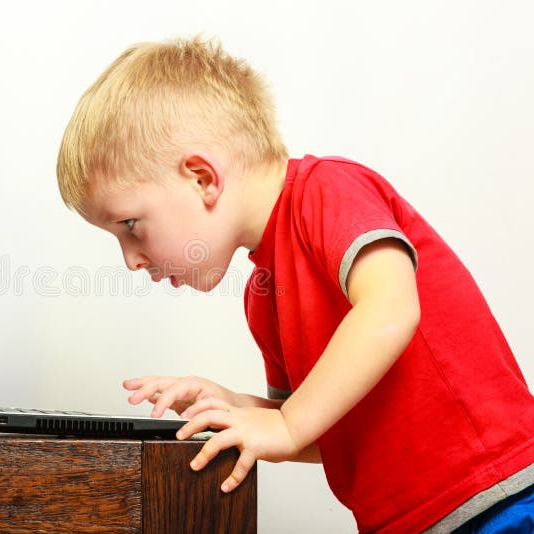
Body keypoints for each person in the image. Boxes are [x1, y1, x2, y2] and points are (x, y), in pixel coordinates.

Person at [55, 36, 534, 533]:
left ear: (202, 179)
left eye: (130, 225)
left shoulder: (326, 190)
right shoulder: (263, 295)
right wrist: (240, 408)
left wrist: (285, 424)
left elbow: (391, 306)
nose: (131, 260)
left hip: (497, 496)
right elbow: (320, 430)